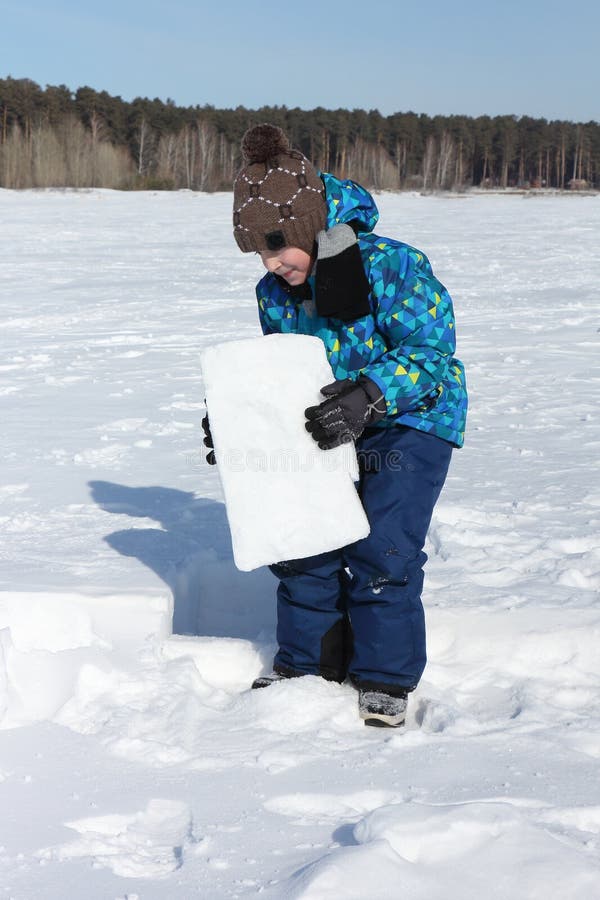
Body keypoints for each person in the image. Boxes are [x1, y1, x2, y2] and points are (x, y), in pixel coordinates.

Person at [203, 124, 467, 727]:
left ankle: (384, 676)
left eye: (277, 247)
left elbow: (433, 354)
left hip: (412, 418)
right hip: (323, 419)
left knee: (383, 545)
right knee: (305, 539)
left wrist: (370, 393)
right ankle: (307, 664)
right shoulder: (275, 290)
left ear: (306, 228)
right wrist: (239, 424)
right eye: (260, 253)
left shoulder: (391, 264)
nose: (272, 264)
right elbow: (280, 372)